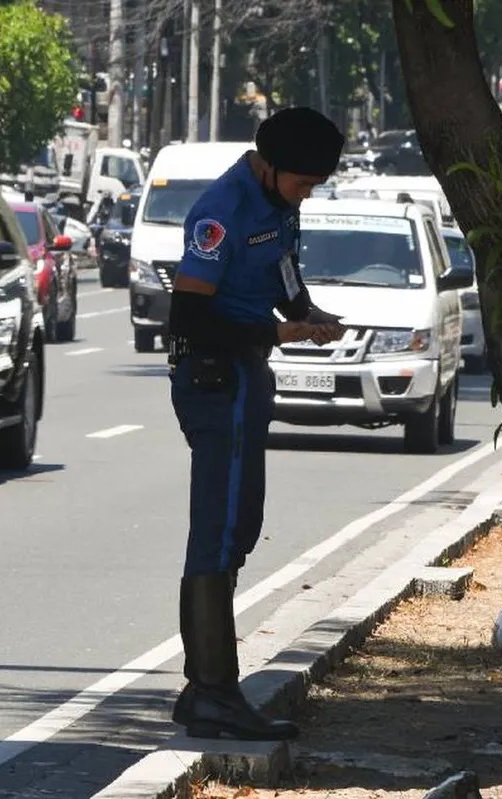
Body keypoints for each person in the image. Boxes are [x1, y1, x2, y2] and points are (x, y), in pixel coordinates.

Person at [166, 106, 347, 741]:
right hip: (216, 378)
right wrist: (276, 330)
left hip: (248, 372)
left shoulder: (278, 204)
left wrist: (310, 314)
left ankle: (204, 691)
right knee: (218, 531)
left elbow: (284, 278)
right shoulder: (222, 211)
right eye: (302, 182)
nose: (308, 192)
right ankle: (213, 689)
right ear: (268, 166)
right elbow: (187, 315)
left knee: (242, 523)